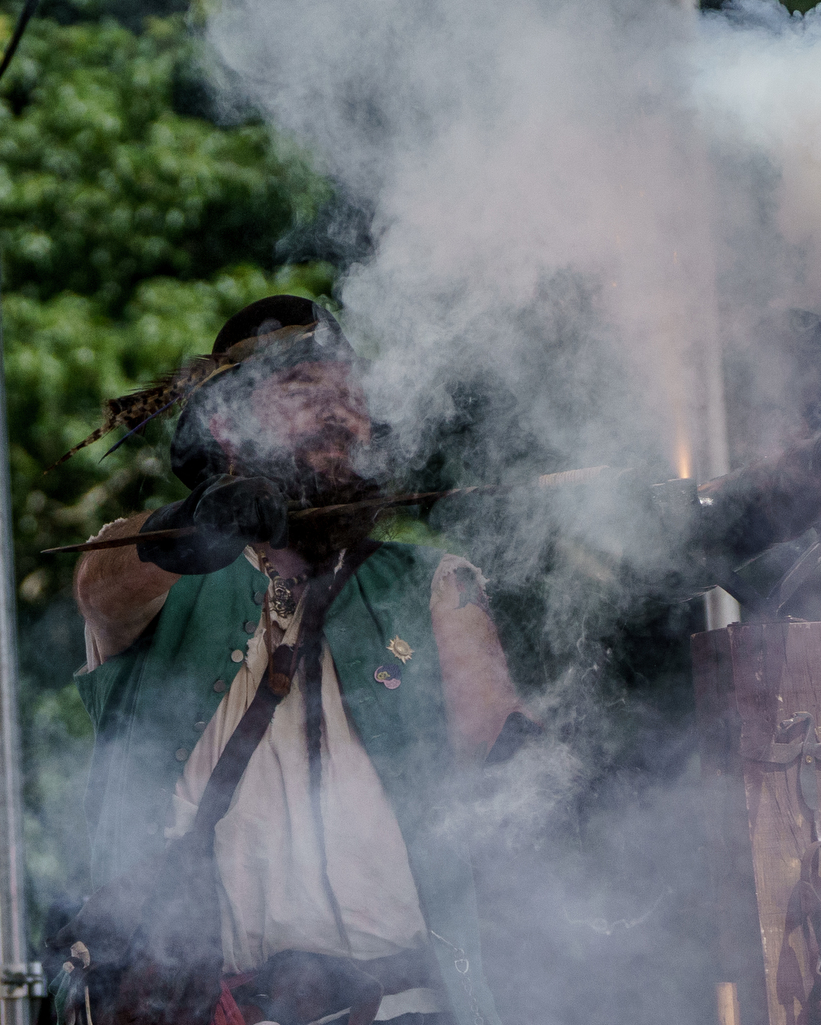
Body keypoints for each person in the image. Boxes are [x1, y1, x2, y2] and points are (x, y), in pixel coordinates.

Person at [70, 296, 533, 1025]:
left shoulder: (438, 583)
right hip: (202, 1008)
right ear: (225, 424)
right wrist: (201, 522)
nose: (341, 411)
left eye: (351, 393)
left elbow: (505, 763)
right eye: (303, 389)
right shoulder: (156, 569)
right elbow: (104, 582)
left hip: (400, 1007)